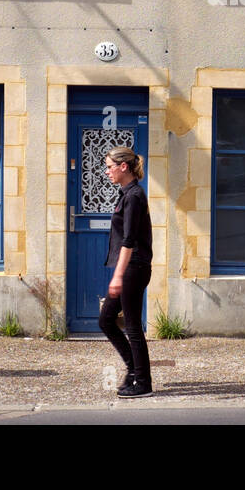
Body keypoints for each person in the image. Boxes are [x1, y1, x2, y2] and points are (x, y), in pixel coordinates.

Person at [99, 146, 154, 398]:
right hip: (131, 268)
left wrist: (118, 276)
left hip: (134, 268)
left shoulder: (134, 196)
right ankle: (133, 370)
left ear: (124, 167)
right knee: (106, 320)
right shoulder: (127, 194)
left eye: (110, 166)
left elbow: (129, 240)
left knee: (132, 326)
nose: (107, 171)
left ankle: (143, 383)